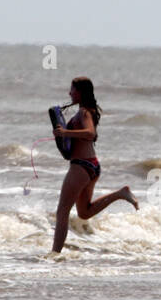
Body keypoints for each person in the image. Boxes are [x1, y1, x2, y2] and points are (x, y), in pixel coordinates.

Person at [50, 77, 137, 253]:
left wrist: (65, 132)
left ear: (80, 92)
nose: (69, 93)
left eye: (72, 89)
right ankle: (120, 193)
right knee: (84, 212)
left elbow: (90, 133)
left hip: (81, 167)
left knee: (62, 212)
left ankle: (55, 254)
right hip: (91, 165)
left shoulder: (84, 112)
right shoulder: (86, 111)